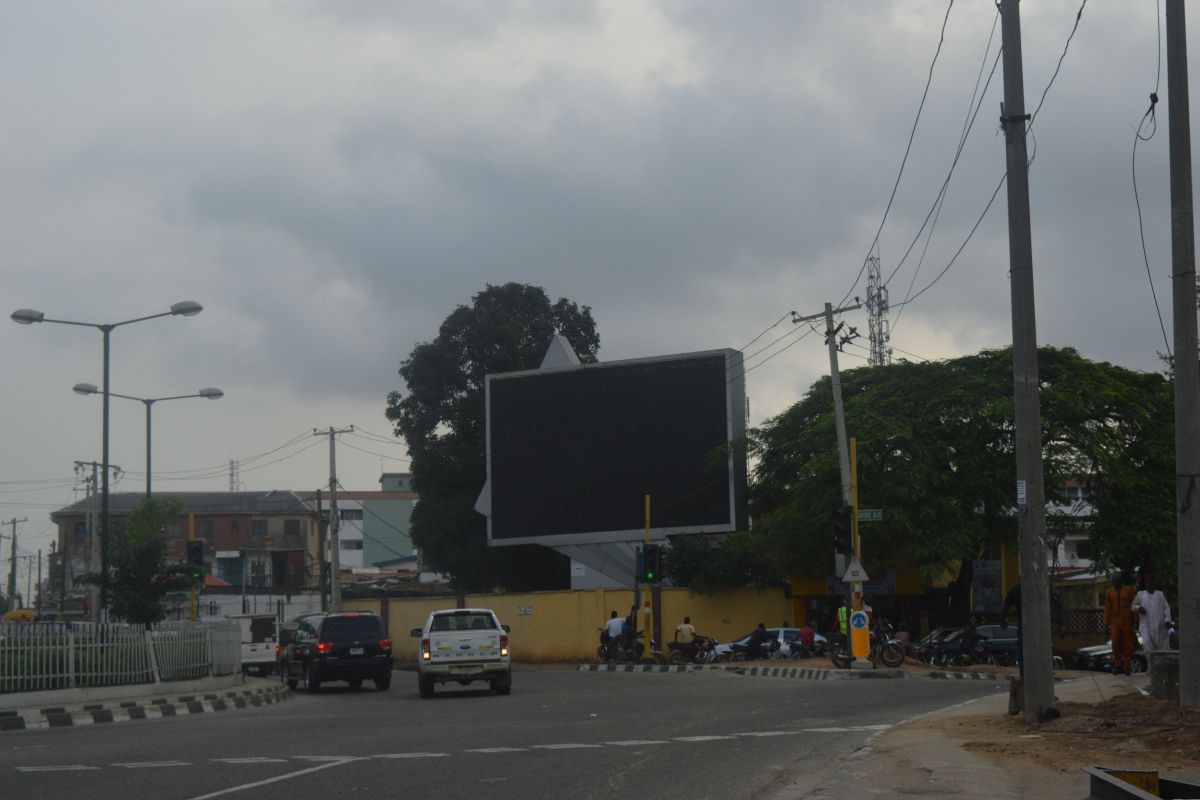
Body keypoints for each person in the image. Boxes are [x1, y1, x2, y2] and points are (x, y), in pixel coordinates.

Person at [1103, 572, 1136, 676]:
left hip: (1127, 621)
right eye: (1113, 581)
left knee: (1127, 644)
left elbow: (1134, 606)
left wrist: (1135, 621)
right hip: (1115, 622)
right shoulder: (1109, 592)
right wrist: (1106, 623)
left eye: (1116, 580)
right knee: (1115, 643)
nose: (1115, 582)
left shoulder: (1128, 590)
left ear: (1120, 581)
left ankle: (1127, 667)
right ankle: (1118, 664)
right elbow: (1107, 609)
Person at [1132, 572, 1172, 653]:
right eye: (1147, 582)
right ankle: (1150, 665)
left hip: (1160, 626)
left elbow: (1166, 608)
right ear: (1145, 583)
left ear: (1153, 582)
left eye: (1150, 582)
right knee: (1147, 644)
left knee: (1162, 649)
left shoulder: (1160, 594)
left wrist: (1167, 620)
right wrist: (1139, 608)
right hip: (1146, 626)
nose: (1149, 584)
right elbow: (1133, 606)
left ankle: (1162, 665)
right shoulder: (1140, 595)